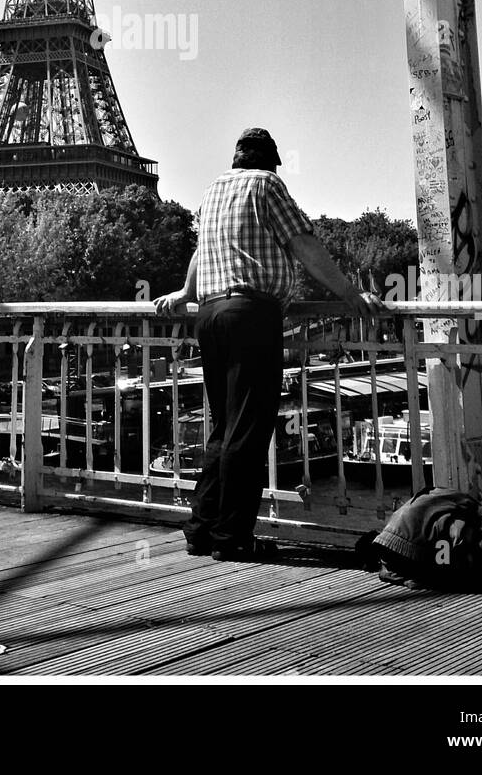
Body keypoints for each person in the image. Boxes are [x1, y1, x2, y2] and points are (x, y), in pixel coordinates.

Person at [153, 127, 382, 562]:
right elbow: (304, 244)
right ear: (270, 161)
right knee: (250, 430)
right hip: (251, 315)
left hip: (210, 315)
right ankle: (232, 537)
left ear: (237, 158)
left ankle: (202, 528)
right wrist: (350, 294)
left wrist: (185, 294)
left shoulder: (213, 190)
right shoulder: (268, 185)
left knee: (224, 426)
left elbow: (203, 252)